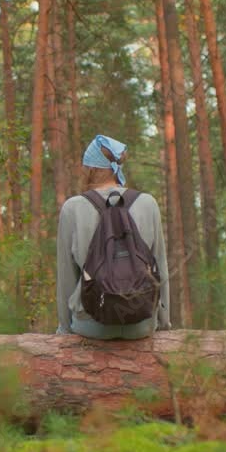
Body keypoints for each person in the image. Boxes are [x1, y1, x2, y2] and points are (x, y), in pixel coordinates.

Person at [56, 135, 171, 340]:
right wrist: (163, 323)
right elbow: (159, 266)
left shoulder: (72, 208)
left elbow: (66, 276)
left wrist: (64, 329)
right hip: (141, 323)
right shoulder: (148, 203)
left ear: (90, 168)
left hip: (91, 324)